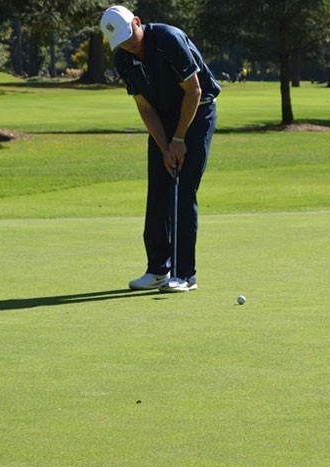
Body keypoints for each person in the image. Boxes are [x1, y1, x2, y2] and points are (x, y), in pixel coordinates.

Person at [100, 5, 221, 293]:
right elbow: (144, 107)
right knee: (158, 191)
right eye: (122, 43)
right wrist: (164, 146)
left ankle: (185, 275)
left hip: (197, 111)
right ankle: (157, 269)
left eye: (131, 37)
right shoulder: (123, 59)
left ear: (138, 22)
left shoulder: (169, 39)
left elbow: (194, 91)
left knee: (182, 189)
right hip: (163, 119)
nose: (129, 46)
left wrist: (179, 140)